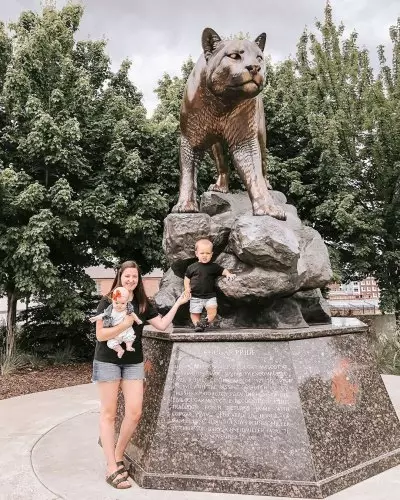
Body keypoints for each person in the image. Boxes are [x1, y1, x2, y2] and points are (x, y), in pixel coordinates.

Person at [92, 260, 189, 489]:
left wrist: (179, 303)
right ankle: (111, 467)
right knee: (109, 414)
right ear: (120, 277)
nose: (130, 280)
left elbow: (163, 325)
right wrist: (125, 324)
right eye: (127, 276)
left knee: (134, 412)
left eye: (134, 277)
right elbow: (101, 335)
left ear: (139, 279)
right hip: (108, 361)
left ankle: (117, 455)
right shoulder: (108, 301)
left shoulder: (143, 304)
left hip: (133, 363)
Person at [184, 238, 235, 332]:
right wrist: (187, 289)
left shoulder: (214, 267)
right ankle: (197, 325)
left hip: (210, 296)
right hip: (195, 296)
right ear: (196, 254)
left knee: (213, 311)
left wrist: (228, 274)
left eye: (207, 253)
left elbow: (223, 270)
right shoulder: (191, 267)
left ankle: (205, 322)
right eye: (202, 253)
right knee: (194, 313)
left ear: (211, 254)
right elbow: (187, 278)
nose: (205, 256)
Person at [89, 287, 142, 359]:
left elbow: (133, 315)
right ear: (112, 301)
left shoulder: (127, 310)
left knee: (129, 336)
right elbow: (103, 315)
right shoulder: (111, 311)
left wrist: (138, 320)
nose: (119, 305)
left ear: (127, 302)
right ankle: (120, 350)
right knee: (110, 343)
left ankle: (128, 346)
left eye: (122, 303)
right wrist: (95, 318)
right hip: (114, 334)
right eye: (116, 303)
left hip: (126, 331)